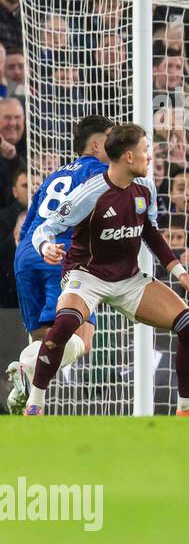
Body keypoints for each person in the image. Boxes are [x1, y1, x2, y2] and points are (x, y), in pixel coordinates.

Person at [23, 123, 189, 416]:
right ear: (128, 157)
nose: (151, 157)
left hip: (129, 280)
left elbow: (150, 232)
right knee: (64, 325)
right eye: (146, 150)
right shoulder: (91, 193)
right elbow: (45, 228)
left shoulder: (145, 188)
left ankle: (187, 407)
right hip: (86, 276)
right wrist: (46, 247)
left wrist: (181, 273)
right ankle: (35, 403)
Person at [5, 115, 110, 412]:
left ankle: (25, 394)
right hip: (62, 257)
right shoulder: (103, 174)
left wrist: (31, 252)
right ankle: (26, 368)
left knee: (43, 338)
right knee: (80, 338)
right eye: (111, 141)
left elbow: (28, 227)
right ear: (96, 145)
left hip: (27, 255)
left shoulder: (55, 175)